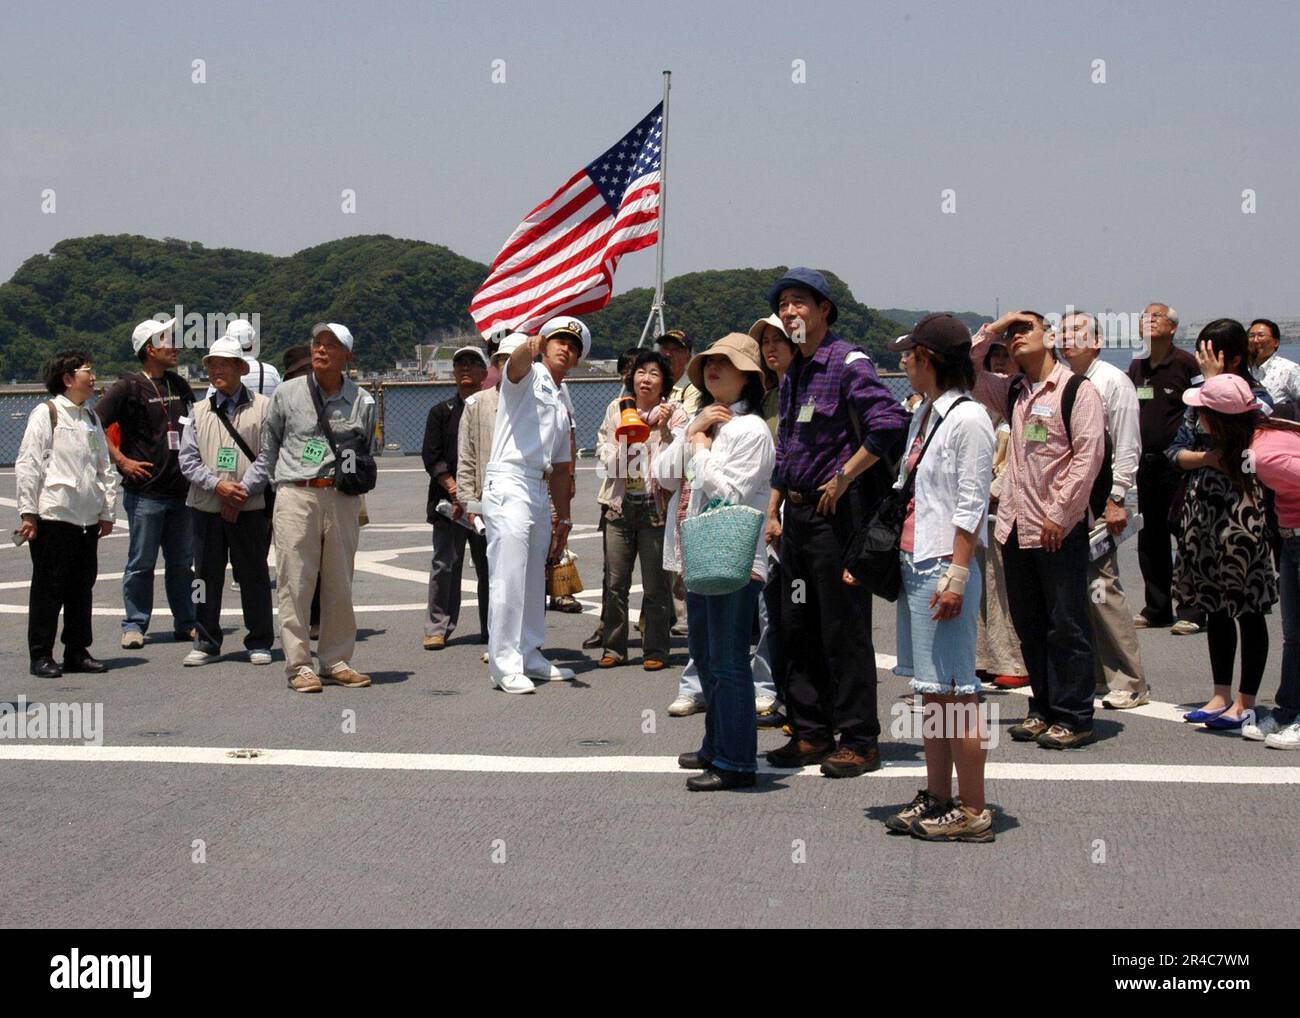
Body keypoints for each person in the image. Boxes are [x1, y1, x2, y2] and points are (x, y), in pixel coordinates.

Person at [766, 268, 909, 777]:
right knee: (796, 624)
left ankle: (859, 739)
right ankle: (810, 732)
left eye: (799, 302)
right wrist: (774, 508)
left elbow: (890, 422)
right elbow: (787, 448)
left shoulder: (848, 362)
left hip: (835, 519)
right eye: (783, 304)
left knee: (843, 629)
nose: (789, 312)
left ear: (824, 310)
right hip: (798, 519)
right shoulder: (795, 370)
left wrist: (844, 477)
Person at [882, 315, 996, 842]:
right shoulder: (925, 414)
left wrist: (956, 574)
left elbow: (971, 503)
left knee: (957, 691)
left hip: (943, 564)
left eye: (911, 353)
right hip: (917, 560)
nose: (905, 361)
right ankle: (937, 794)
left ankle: (973, 809)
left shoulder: (969, 419)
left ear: (929, 359)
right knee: (932, 693)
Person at [970, 311, 1105, 749]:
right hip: (1015, 525)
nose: (1014, 337)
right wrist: (994, 327)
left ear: (1050, 336)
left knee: (1066, 624)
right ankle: (1043, 707)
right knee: (1029, 625)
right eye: (1010, 334)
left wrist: (1060, 514)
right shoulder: (1013, 389)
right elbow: (966, 370)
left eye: (1024, 329)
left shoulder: (1077, 390)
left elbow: (1088, 457)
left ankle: (1075, 715)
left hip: (1056, 528)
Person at [666, 333, 775, 791]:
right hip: (704, 554)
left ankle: (737, 761)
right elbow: (664, 474)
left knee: (728, 660)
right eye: (709, 362)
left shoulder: (752, 430)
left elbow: (729, 492)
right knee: (707, 656)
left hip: (735, 557)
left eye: (725, 364)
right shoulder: (708, 424)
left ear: (747, 376)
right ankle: (716, 745)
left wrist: (699, 446)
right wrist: (693, 432)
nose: (713, 369)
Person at [1181, 374, 1300, 748]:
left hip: (1281, 536)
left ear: (1218, 419)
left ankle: (1288, 713)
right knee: (1293, 636)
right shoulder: (1253, 441)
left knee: (1282, 628)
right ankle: (1288, 710)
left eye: (1201, 411)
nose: (1196, 418)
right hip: (1288, 536)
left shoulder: (1263, 454)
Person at [1170, 321, 1277, 729]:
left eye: (1209, 352)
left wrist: (1216, 386)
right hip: (1202, 510)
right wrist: (1204, 459)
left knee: (1247, 606)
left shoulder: (1257, 398)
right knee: (1213, 604)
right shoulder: (1198, 397)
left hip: (1242, 513)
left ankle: (1246, 700)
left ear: (1231, 356)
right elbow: (1174, 451)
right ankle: (1220, 693)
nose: (1201, 360)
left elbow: (1249, 451)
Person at [263, 322, 376, 693]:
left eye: (331, 344)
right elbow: (270, 444)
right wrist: (279, 488)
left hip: (341, 497)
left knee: (339, 582)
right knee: (295, 582)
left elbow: (365, 450)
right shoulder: (287, 393)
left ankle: (335, 660)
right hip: (297, 494)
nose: (321, 349)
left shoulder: (361, 400)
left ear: (347, 356)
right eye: (317, 343)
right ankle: (298, 665)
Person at [482, 317, 586, 693]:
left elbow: (561, 464)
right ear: (546, 344)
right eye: (560, 341)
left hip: (539, 486)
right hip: (509, 479)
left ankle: (529, 652)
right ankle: (504, 663)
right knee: (509, 576)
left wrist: (565, 519)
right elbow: (513, 367)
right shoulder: (529, 375)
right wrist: (530, 346)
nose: (566, 349)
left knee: (531, 578)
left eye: (573, 347)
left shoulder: (561, 395)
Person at [1059, 311, 1150, 709]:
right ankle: (1097, 674)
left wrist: (1117, 498)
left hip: (1101, 500)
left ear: (1096, 342)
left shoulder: (1113, 381)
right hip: (1071, 503)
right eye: (1062, 333)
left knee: (1103, 588)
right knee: (1079, 590)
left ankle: (1130, 680)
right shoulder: (1064, 382)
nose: (1067, 339)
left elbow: (1128, 445)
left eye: (1076, 333)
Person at [15, 352, 119, 678]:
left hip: (87, 519)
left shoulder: (91, 417)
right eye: (88, 371)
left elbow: (104, 467)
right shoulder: (46, 413)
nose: (93, 377)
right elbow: (29, 464)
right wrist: (28, 512)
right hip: (54, 515)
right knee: (49, 589)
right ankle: (41, 654)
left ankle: (77, 651)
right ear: (68, 378)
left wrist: (107, 511)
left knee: (81, 589)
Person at [96, 317, 197, 648]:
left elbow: (194, 425)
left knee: (182, 564)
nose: (175, 346)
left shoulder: (178, 384)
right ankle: (134, 624)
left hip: (182, 490)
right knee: (141, 563)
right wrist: (121, 460)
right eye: (167, 340)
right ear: (150, 349)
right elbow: (93, 424)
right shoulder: (128, 387)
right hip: (145, 493)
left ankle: (187, 621)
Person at [178, 335, 274, 666]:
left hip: (250, 506)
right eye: (212, 365)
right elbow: (187, 460)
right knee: (204, 576)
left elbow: (269, 455)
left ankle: (259, 639)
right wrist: (219, 487)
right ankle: (205, 640)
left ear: (241, 368)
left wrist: (241, 491)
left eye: (224, 364)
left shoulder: (264, 407)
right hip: (206, 506)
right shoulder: (198, 410)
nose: (216, 371)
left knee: (254, 574)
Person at [594, 349, 679, 670]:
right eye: (641, 372)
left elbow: (679, 464)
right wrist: (627, 441)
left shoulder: (675, 414)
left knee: (657, 585)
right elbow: (606, 460)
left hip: (655, 507)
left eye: (654, 374)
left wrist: (665, 430)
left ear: (664, 382)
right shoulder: (616, 410)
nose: (646, 379)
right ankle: (614, 647)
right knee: (615, 583)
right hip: (619, 506)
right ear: (632, 378)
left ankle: (656, 649)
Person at [1128, 303, 1204, 635]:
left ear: (1173, 327)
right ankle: (1157, 609)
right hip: (1147, 464)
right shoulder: (1137, 366)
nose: (1148, 320)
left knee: (1186, 534)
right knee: (1151, 537)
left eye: (1156, 316)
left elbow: (1204, 405)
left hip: (1180, 464)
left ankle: (1193, 609)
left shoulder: (1186, 363)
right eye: (1144, 316)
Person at [422, 346, 490, 650]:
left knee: (489, 566)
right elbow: (432, 456)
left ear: (484, 372)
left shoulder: (493, 410)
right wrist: (454, 488)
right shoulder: (441, 412)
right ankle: (438, 627)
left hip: (485, 501)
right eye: (460, 363)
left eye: (473, 363)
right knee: (445, 564)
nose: (465, 368)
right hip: (449, 504)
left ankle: (492, 627)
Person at [974, 337, 1029, 690]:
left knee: (1005, 589)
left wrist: (993, 490)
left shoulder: (1021, 399)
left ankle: (1014, 661)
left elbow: (1023, 457)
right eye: (993, 356)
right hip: (980, 506)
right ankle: (984, 657)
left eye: (1006, 357)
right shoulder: (984, 404)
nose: (999, 363)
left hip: (1006, 503)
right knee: (981, 586)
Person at [584, 348, 643, 650]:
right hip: (616, 498)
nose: (632, 375)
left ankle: (650, 626)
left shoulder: (665, 406)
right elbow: (602, 445)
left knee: (656, 572)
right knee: (613, 572)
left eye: (639, 368)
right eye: (627, 369)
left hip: (651, 497)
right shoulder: (614, 407)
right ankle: (607, 627)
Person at [658, 329, 701, 636]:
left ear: (688, 354)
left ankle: (684, 615)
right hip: (655, 472)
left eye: (675, 349)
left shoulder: (692, 389)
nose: (668, 353)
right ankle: (663, 613)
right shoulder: (659, 384)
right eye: (665, 348)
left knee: (682, 546)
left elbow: (686, 430)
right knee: (661, 549)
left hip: (682, 474)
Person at [205, 319, 281, 401]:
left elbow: (209, 402)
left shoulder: (221, 375)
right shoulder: (270, 372)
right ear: (253, 341)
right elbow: (280, 402)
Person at [1247, 318, 1300, 417]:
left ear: (1276, 342)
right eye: (1252, 336)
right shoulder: (1243, 369)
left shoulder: (1288, 369)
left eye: (1260, 335)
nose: (1255, 340)